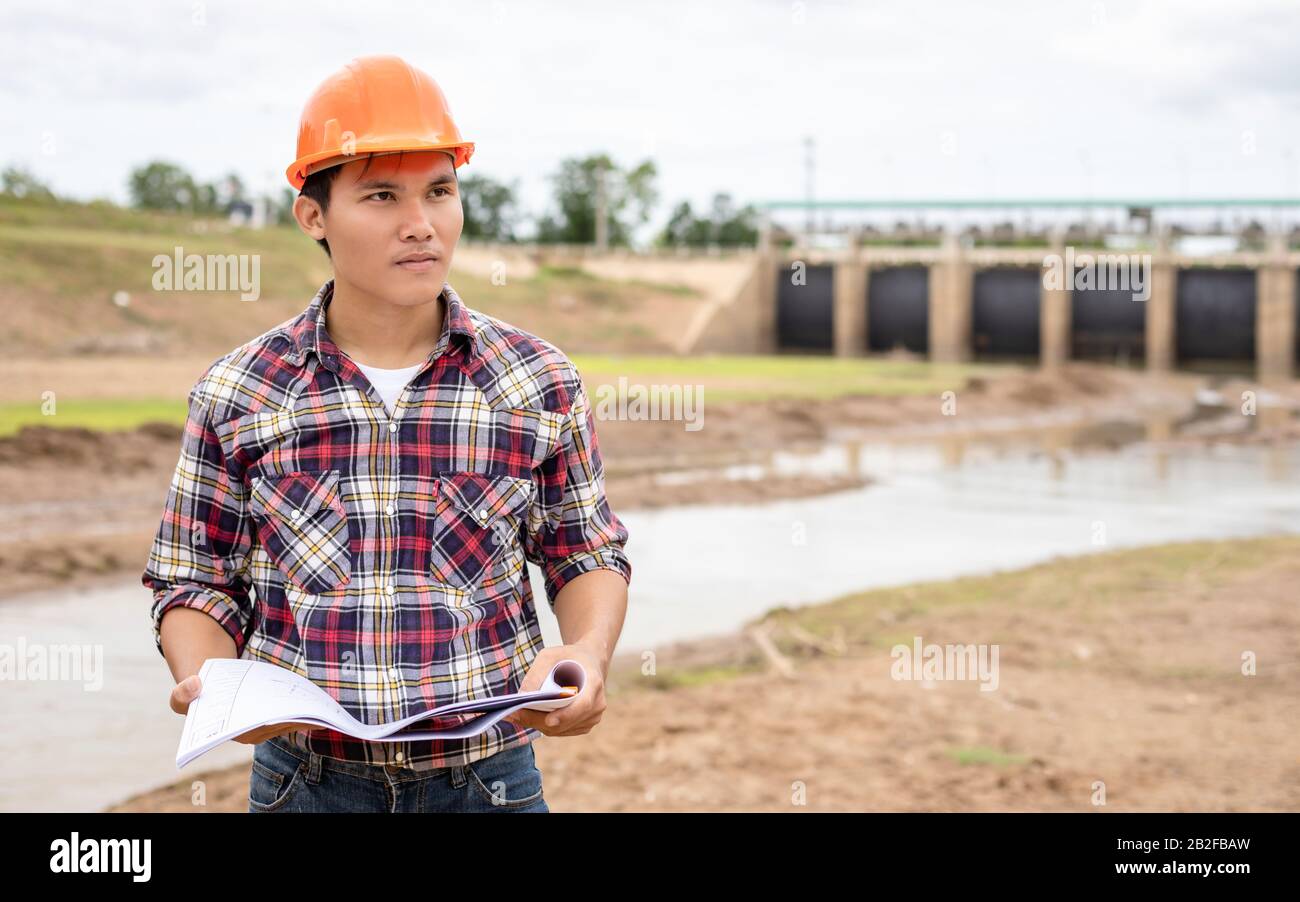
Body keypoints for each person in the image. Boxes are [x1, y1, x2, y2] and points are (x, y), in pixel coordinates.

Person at [142, 55, 632, 813]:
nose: (421, 224)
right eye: (381, 196)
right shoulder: (239, 391)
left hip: (489, 782)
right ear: (314, 216)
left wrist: (584, 657)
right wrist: (215, 684)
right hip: (303, 785)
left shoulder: (538, 381)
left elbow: (585, 553)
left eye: (440, 191)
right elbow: (193, 577)